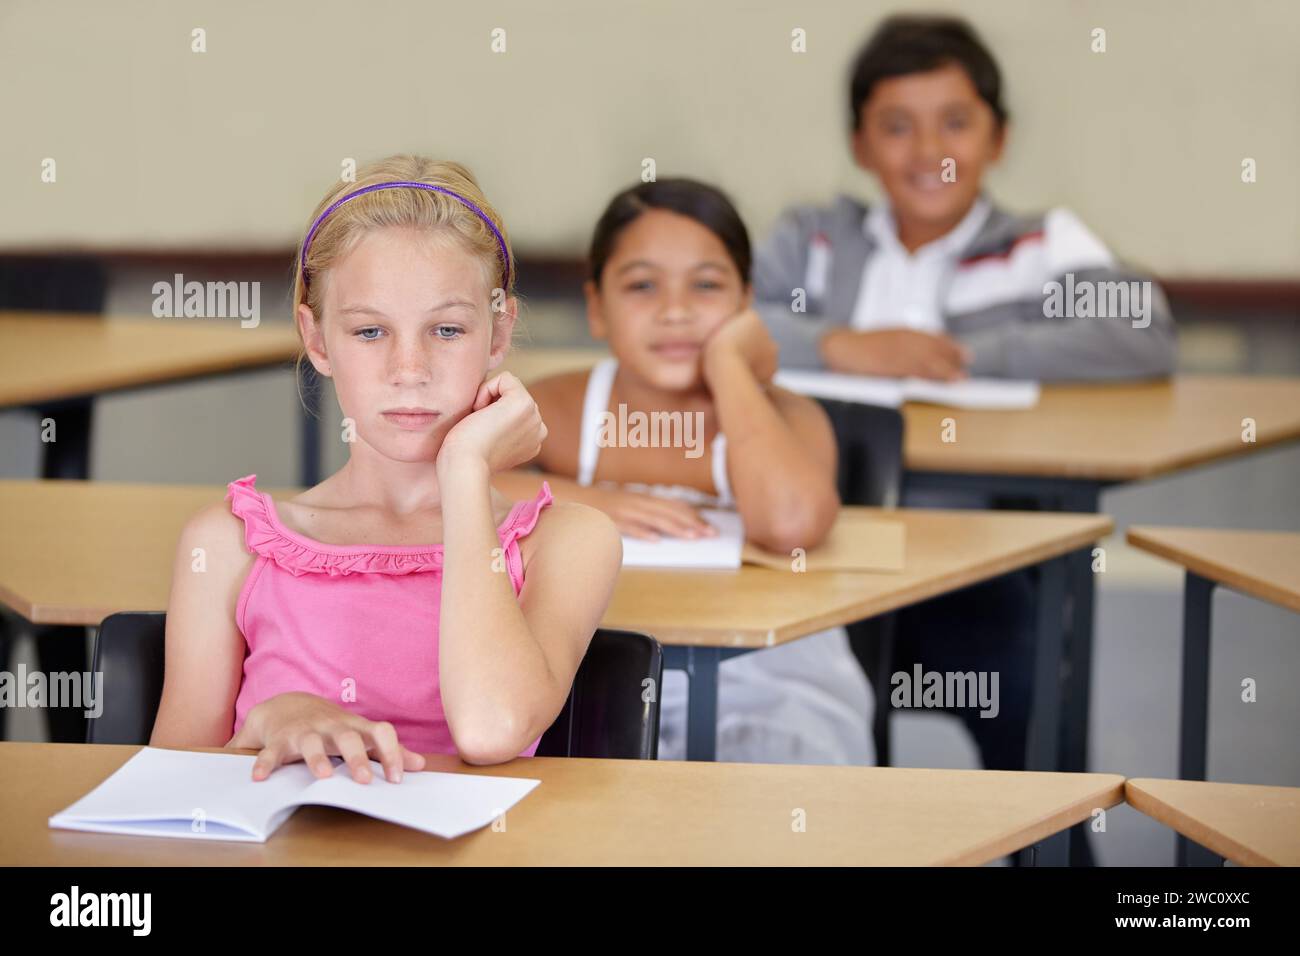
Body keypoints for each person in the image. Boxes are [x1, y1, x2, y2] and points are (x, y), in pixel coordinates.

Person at [151, 156, 622, 782]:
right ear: (317, 341)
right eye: (370, 331)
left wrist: (464, 469)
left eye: (448, 329)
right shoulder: (227, 545)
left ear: (498, 331)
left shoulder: (566, 542)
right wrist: (272, 719)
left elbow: (490, 728)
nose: (410, 368)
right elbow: (165, 796)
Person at [495, 178, 874, 765]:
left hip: (771, 692)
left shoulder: (787, 417)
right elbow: (450, 482)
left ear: (746, 303)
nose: (675, 311)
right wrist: (592, 503)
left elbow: (792, 521)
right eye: (642, 285)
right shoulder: (564, 407)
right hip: (596, 688)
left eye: (707, 285)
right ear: (597, 307)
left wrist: (729, 366)